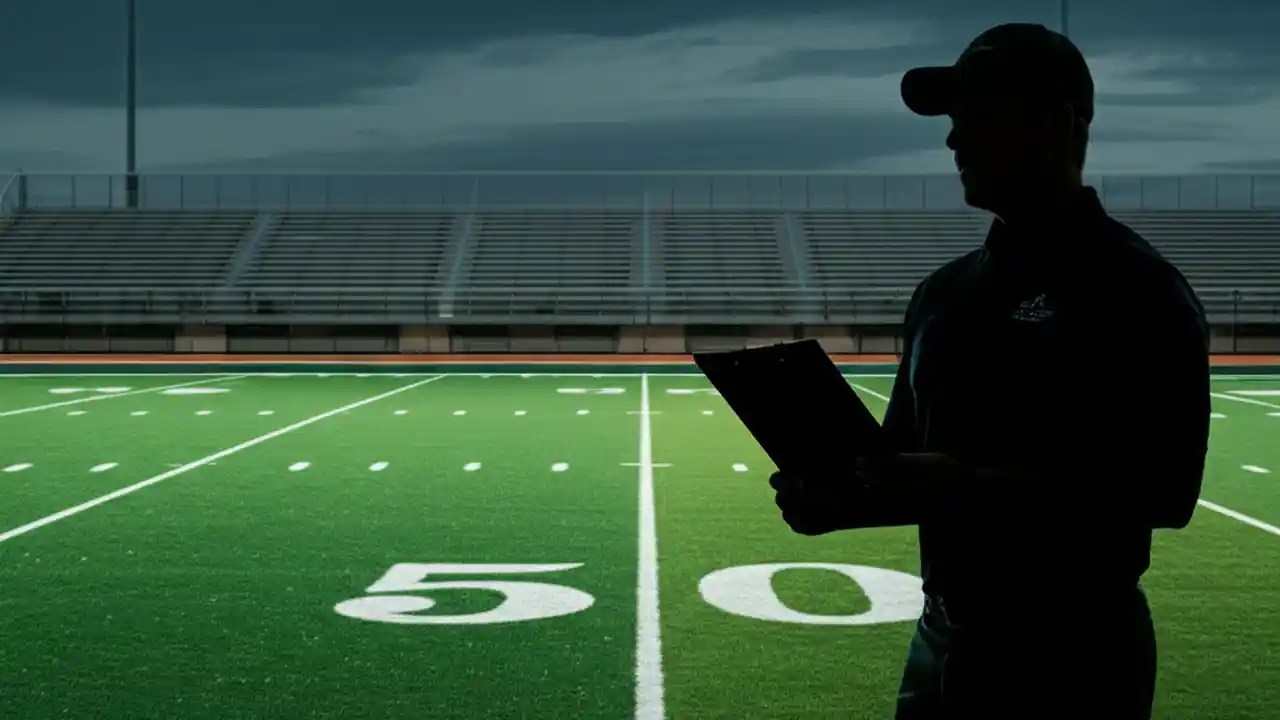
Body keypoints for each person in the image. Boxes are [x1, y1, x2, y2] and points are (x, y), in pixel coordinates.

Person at [769, 22, 1210, 719]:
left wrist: (964, 484)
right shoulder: (942, 295)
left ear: (1056, 125)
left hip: (1073, 654)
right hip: (940, 637)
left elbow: (1164, 493)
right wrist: (839, 502)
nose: (953, 140)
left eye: (979, 117)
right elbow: (906, 463)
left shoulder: (1138, 290)